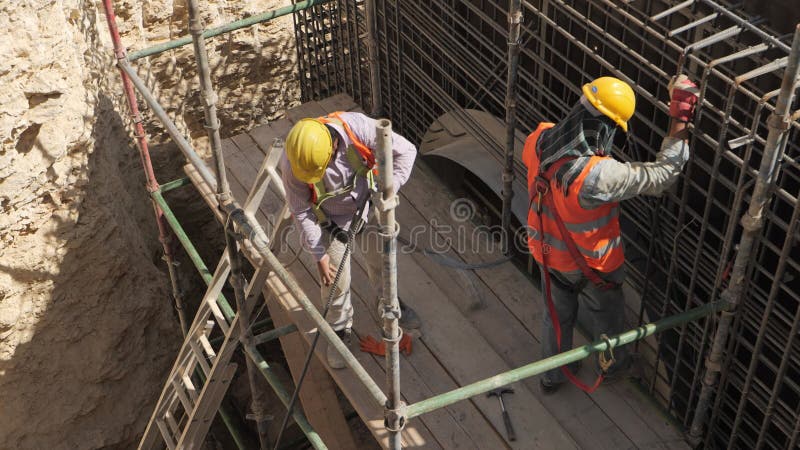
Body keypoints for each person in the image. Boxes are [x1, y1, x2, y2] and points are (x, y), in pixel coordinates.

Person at [523, 75, 699, 393]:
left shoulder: (539, 138)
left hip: (547, 256)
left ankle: (552, 375)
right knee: (608, 316)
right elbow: (663, 175)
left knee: (556, 316)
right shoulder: (598, 175)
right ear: (606, 128)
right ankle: (614, 364)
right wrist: (680, 113)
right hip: (595, 266)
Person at [280, 111, 421, 369]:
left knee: (382, 263)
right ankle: (339, 330)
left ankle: (387, 304)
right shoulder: (293, 161)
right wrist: (319, 254)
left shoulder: (359, 129)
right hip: (330, 220)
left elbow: (407, 151)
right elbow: (300, 209)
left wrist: (389, 189)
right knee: (335, 282)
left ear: (333, 145)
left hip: (368, 204)